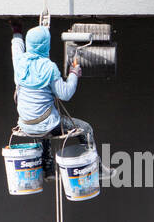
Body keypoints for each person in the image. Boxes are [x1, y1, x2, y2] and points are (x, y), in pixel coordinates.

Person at [8, 19, 94, 177]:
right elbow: (65, 94)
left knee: (42, 127)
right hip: (47, 124)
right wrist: (74, 74)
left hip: (26, 124)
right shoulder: (49, 68)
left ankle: (48, 168)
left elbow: (17, 47)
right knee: (86, 129)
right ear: (46, 45)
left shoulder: (19, 62)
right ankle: (95, 169)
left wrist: (17, 32)